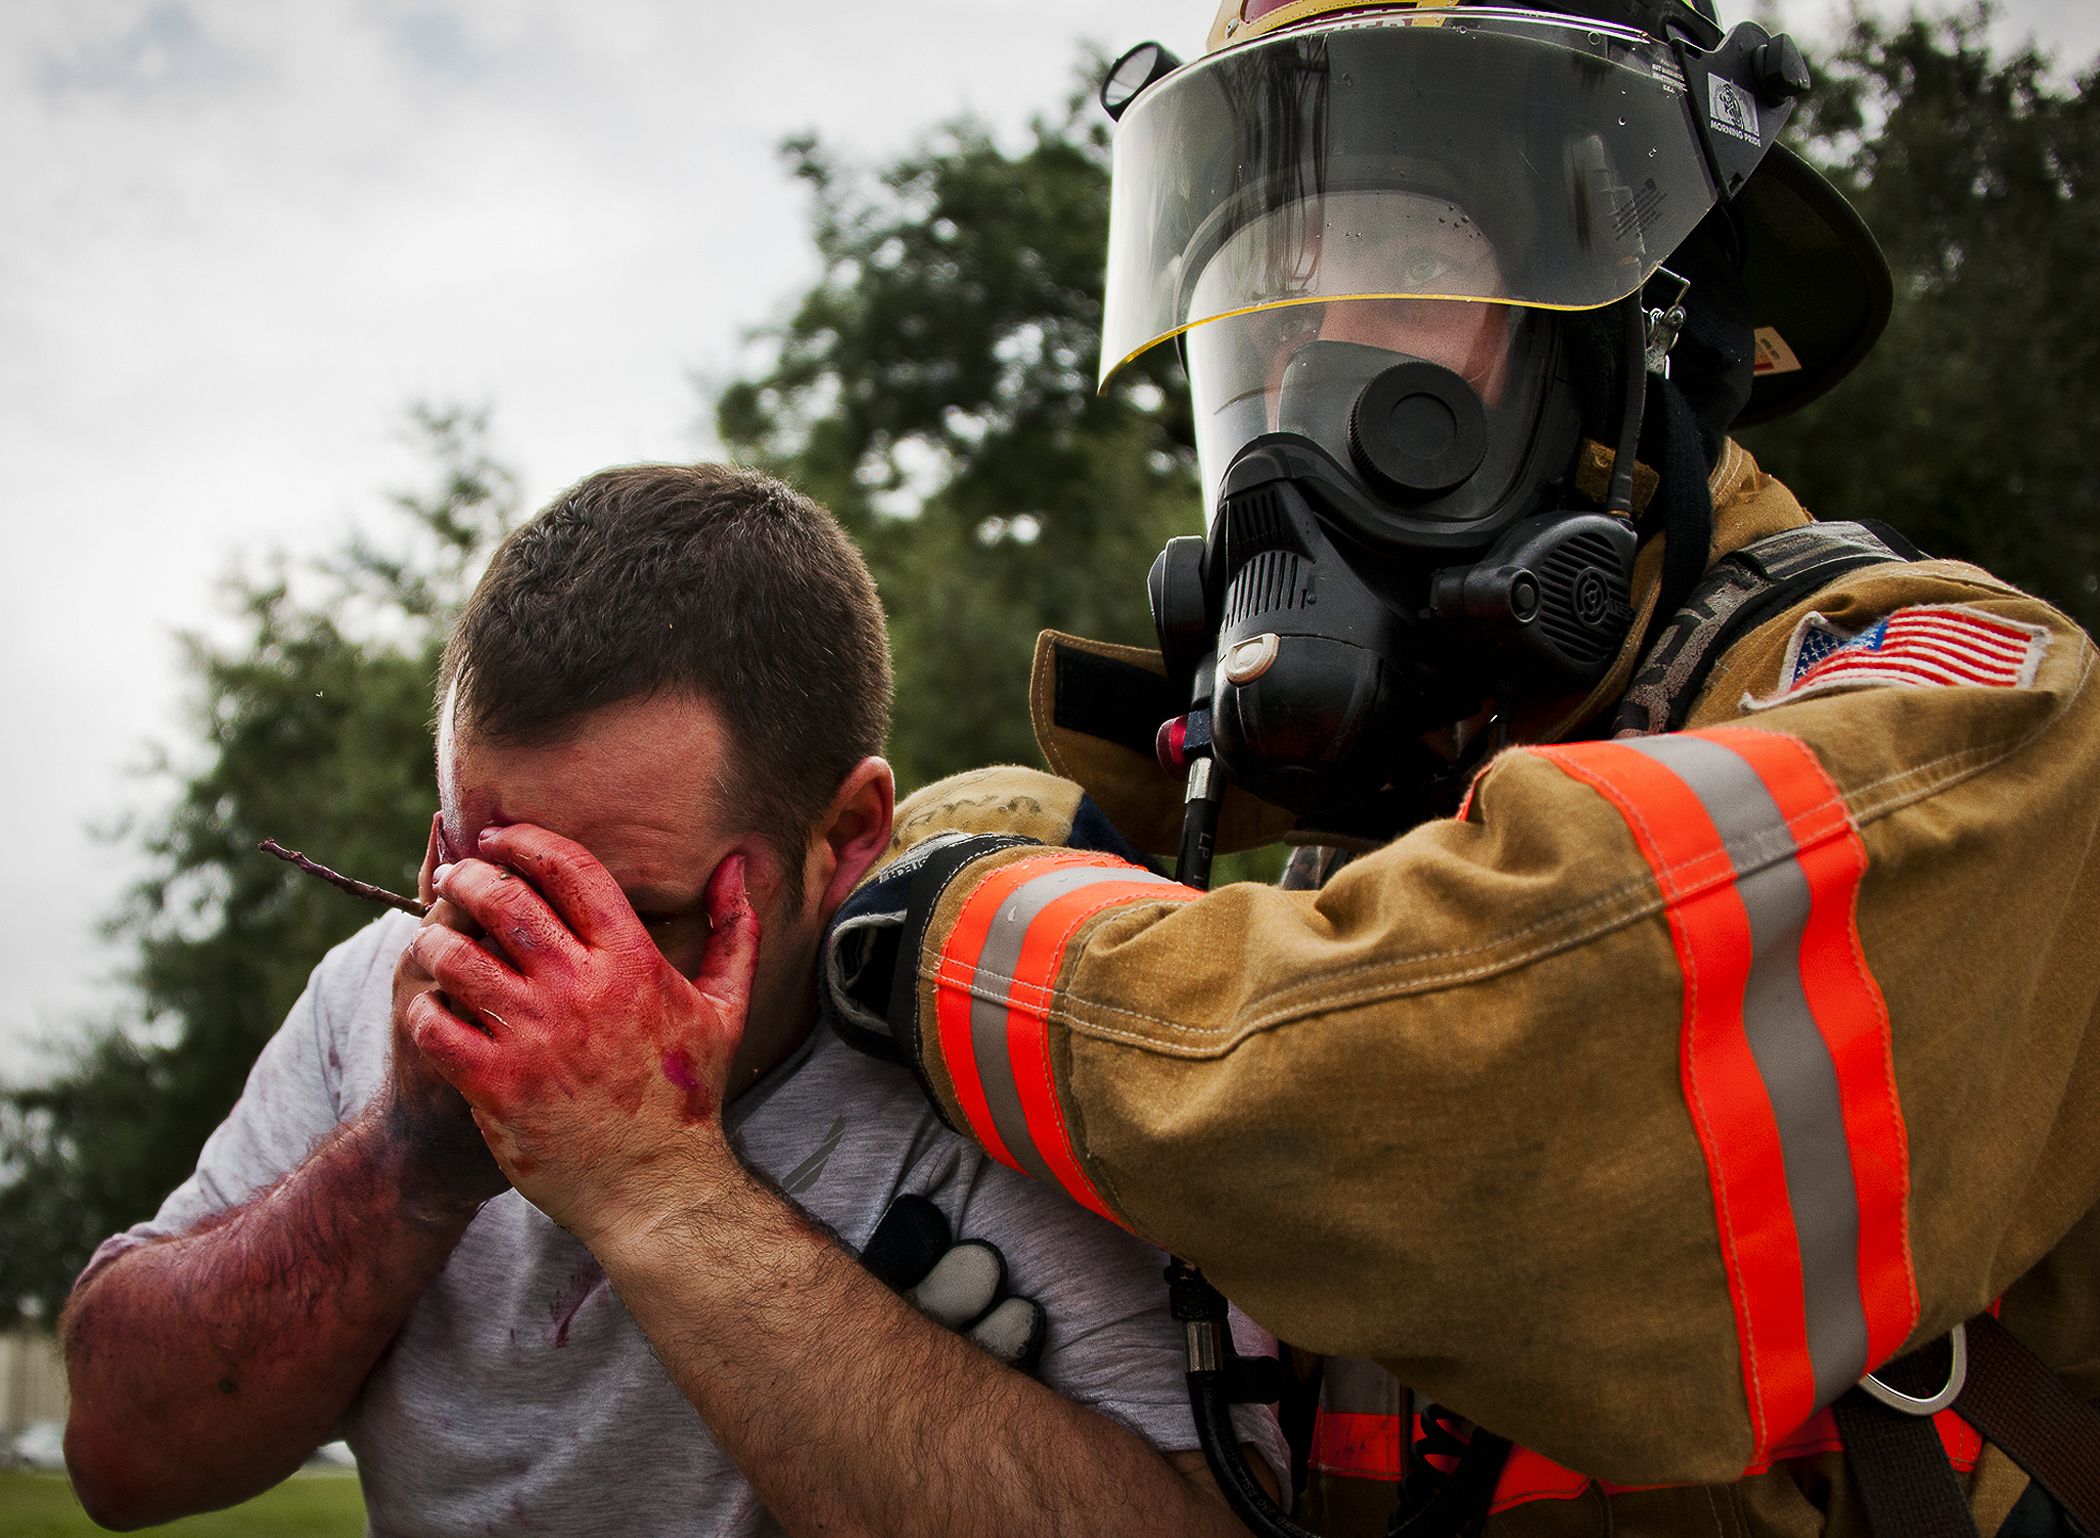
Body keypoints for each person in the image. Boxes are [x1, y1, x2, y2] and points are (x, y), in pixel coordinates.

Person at [814, 1, 2100, 1535]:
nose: (1302, 380)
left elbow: (1512, 1044)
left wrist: (947, 934)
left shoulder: (1961, 700)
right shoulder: (1378, 799)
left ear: (1629, 320)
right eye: (1261, 303)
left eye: (1394, 267)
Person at [60, 463, 1286, 1536]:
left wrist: (653, 1176)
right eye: (492, 891)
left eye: (638, 915)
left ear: (846, 834)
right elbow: (122, 1458)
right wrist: (407, 1160)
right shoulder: (378, 996)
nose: (541, 977)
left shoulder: (1003, 1050)